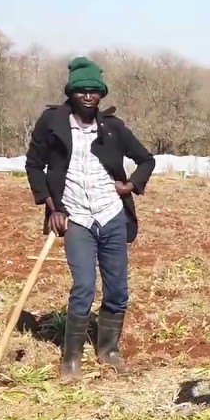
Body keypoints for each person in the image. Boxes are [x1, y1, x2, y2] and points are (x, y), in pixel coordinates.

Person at [24, 57, 156, 381]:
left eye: (94, 92)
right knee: (83, 286)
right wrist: (52, 207)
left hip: (111, 215)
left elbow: (146, 160)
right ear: (71, 93)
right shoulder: (52, 122)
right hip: (76, 218)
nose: (88, 96)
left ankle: (108, 350)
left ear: (101, 95)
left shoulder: (113, 128)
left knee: (117, 290)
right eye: (81, 91)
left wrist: (130, 185)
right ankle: (71, 360)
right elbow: (33, 165)